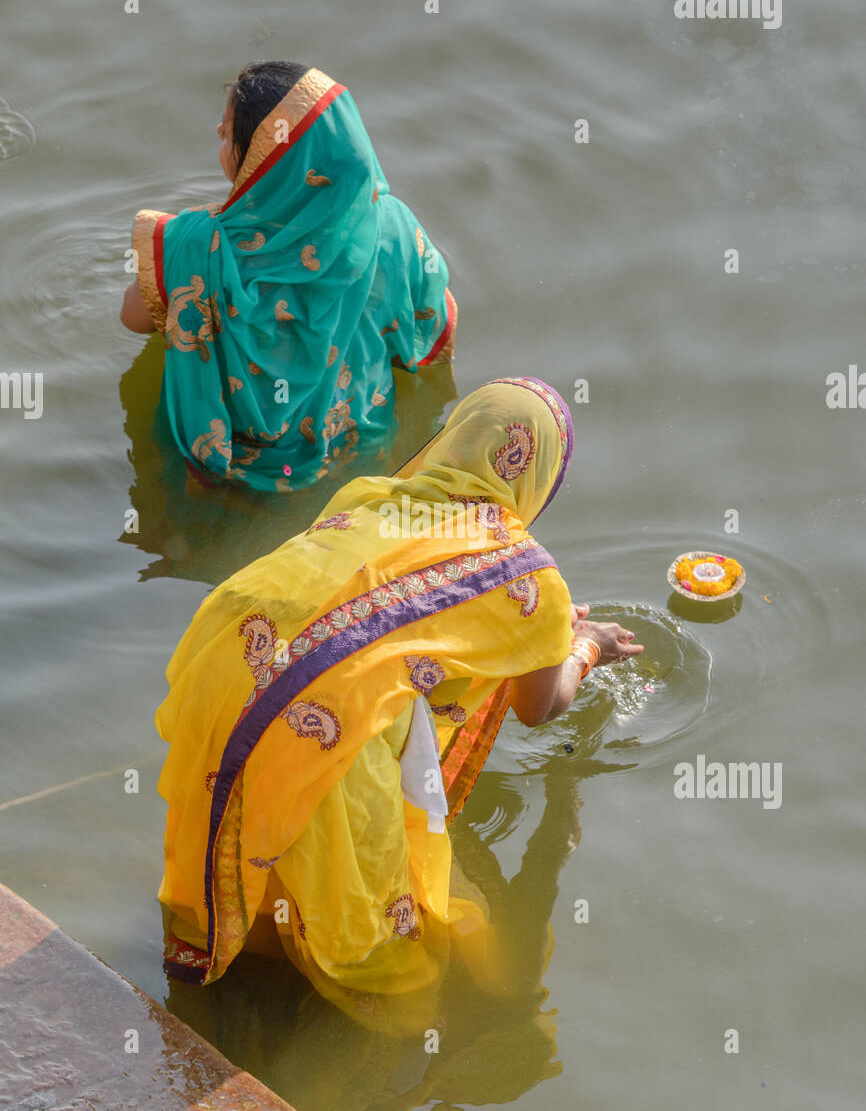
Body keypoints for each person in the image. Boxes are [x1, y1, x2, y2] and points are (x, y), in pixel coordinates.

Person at [155, 377, 643, 1032]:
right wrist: (579, 646)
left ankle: (242, 967)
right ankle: (352, 1042)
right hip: (320, 733)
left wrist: (543, 629)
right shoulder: (526, 574)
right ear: (540, 476)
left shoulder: (374, 499)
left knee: (257, 824)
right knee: (390, 970)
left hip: (224, 669)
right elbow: (540, 706)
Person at [121, 61, 457, 492]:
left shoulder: (194, 244)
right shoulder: (392, 228)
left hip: (225, 469)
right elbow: (433, 332)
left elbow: (133, 319)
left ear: (259, 157)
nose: (218, 134)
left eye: (227, 131)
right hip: (357, 448)